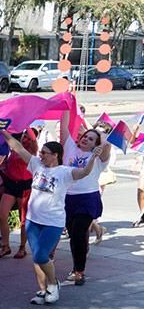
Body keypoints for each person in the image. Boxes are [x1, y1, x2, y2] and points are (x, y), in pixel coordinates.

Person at [0, 131, 101, 304]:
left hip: (52, 222)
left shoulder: (65, 172)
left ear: (55, 155)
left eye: (44, 153)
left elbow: (84, 173)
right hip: (33, 220)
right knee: (37, 258)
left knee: (41, 255)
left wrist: (92, 159)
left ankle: (54, 284)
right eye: (41, 153)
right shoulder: (36, 164)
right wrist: (2, 130)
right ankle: (42, 290)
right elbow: (16, 147)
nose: (40, 156)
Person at [60, 111, 111, 286]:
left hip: (87, 199)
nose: (86, 139)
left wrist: (100, 143)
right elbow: (64, 127)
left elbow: (107, 146)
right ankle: (80, 257)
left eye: (90, 139)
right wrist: (67, 104)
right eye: (84, 136)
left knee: (78, 234)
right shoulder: (69, 149)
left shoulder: (98, 157)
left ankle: (79, 271)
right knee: (73, 233)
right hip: (68, 199)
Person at [0, 129, 39, 259]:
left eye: (27, 137)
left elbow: (33, 139)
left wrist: (26, 123)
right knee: (2, 215)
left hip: (25, 185)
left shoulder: (31, 152)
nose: (24, 138)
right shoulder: (13, 150)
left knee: (24, 220)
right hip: (11, 184)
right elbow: (1, 162)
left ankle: (22, 247)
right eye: (23, 136)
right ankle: (5, 246)